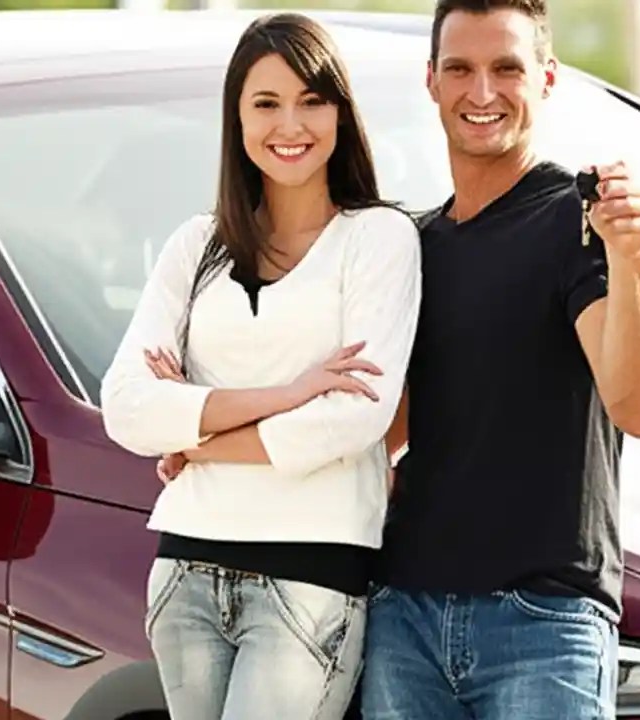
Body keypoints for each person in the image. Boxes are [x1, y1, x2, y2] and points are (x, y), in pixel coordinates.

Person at [99, 13, 420, 720]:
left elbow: (355, 417)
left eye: (312, 100)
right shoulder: (197, 244)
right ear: (236, 118)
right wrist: (289, 392)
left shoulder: (379, 239)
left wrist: (196, 437)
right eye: (266, 104)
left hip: (308, 577)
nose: (291, 124)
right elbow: (125, 406)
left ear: (341, 111)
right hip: (183, 569)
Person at [361, 1, 640, 718]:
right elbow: (380, 427)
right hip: (403, 618)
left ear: (547, 79)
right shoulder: (417, 243)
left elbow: (638, 408)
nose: (482, 92)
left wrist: (631, 260)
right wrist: (211, 444)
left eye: (507, 68)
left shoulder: (582, 223)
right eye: (460, 69)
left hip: (544, 625)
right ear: (431, 81)